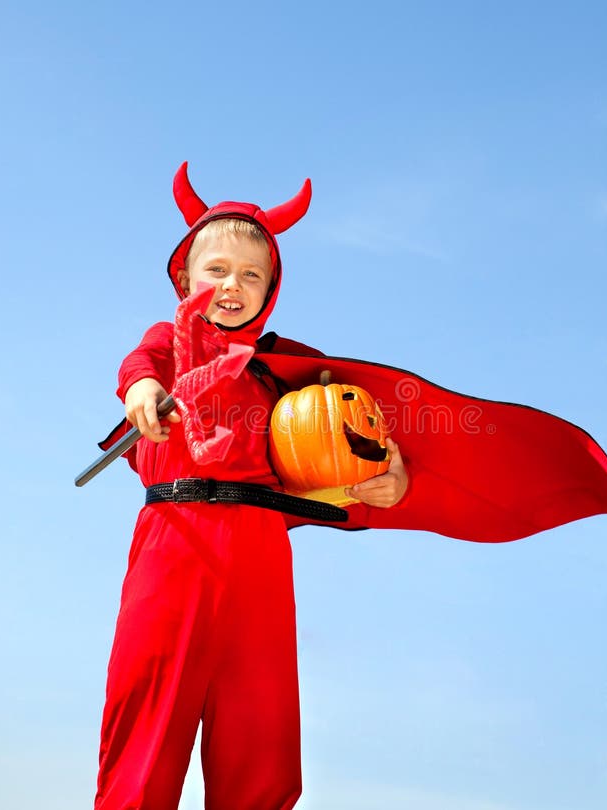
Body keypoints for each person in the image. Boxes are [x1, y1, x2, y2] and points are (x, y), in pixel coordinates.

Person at [94, 163, 408, 810]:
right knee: (149, 715)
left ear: (271, 288)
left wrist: (387, 475)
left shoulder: (285, 375)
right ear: (186, 279)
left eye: (250, 274)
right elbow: (141, 363)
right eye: (216, 270)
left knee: (260, 728)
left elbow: (342, 438)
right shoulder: (169, 345)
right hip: (174, 539)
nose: (232, 285)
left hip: (260, 552)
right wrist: (143, 390)